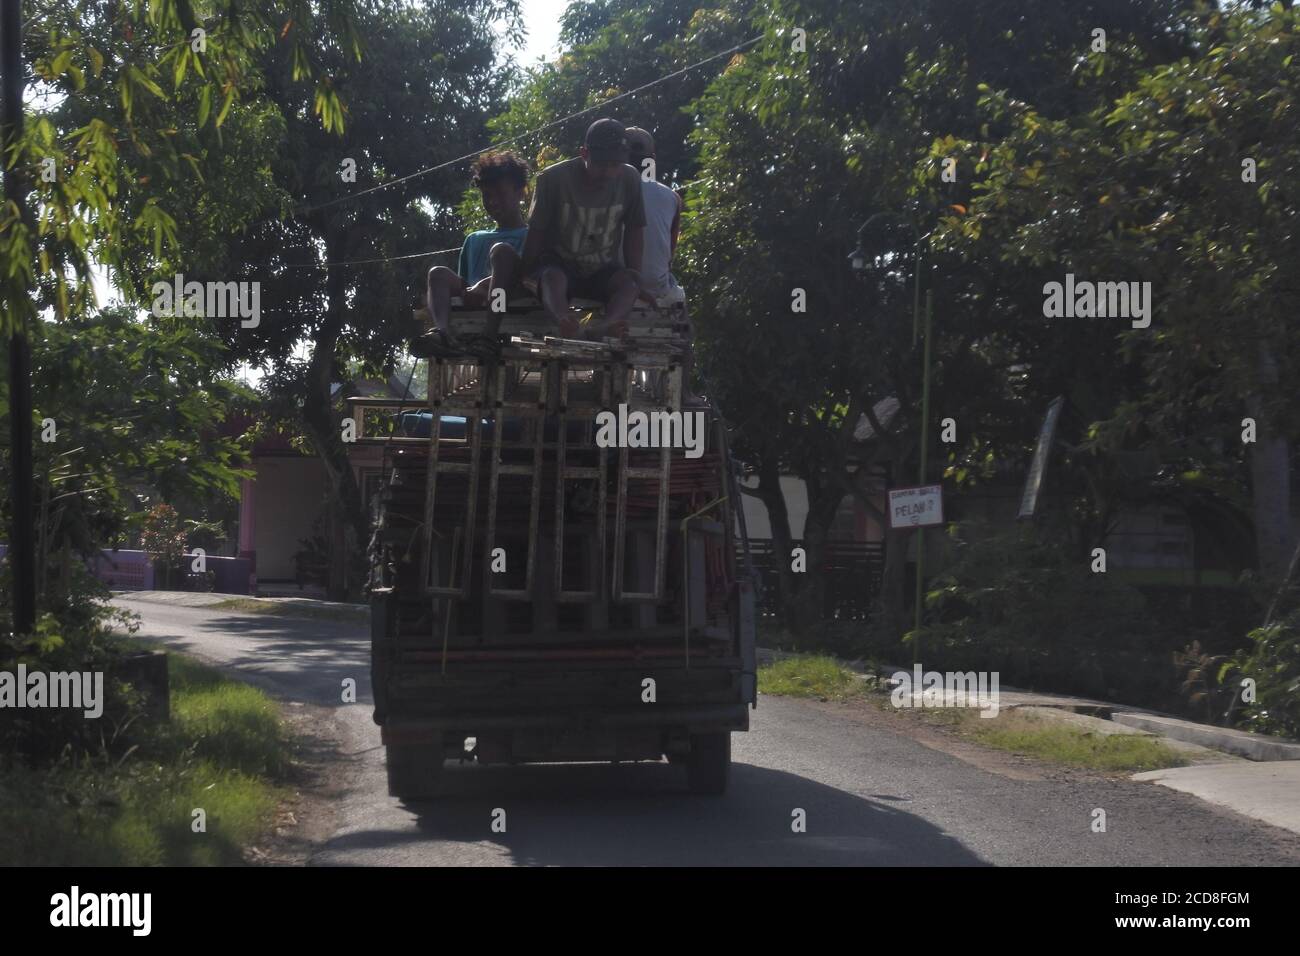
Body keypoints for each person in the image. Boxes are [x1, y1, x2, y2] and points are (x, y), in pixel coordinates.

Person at [520, 118, 645, 339]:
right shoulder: (552, 179)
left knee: (629, 283)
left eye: (614, 165)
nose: (607, 172)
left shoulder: (630, 179)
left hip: (602, 269)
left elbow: (634, 230)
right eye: (600, 165)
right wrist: (527, 274)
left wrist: (635, 274)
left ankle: (606, 326)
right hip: (560, 265)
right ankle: (565, 322)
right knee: (551, 278)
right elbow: (536, 232)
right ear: (584, 154)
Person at [425, 150, 529, 350]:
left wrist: (482, 289)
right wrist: (471, 292)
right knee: (436, 273)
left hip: (508, 306)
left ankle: (489, 335)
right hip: (472, 310)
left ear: (520, 192)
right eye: (487, 195)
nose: (493, 201)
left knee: (502, 253)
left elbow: (525, 279)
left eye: (500, 193)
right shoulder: (474, 240)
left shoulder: (531, 237)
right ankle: (442, 333)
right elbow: (464, 285)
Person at [624, 127, 684, 307]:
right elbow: (668, 256)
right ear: (652, 159)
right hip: (656, 288)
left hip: (617, 284)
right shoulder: (673, 198)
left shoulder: (607, 191)